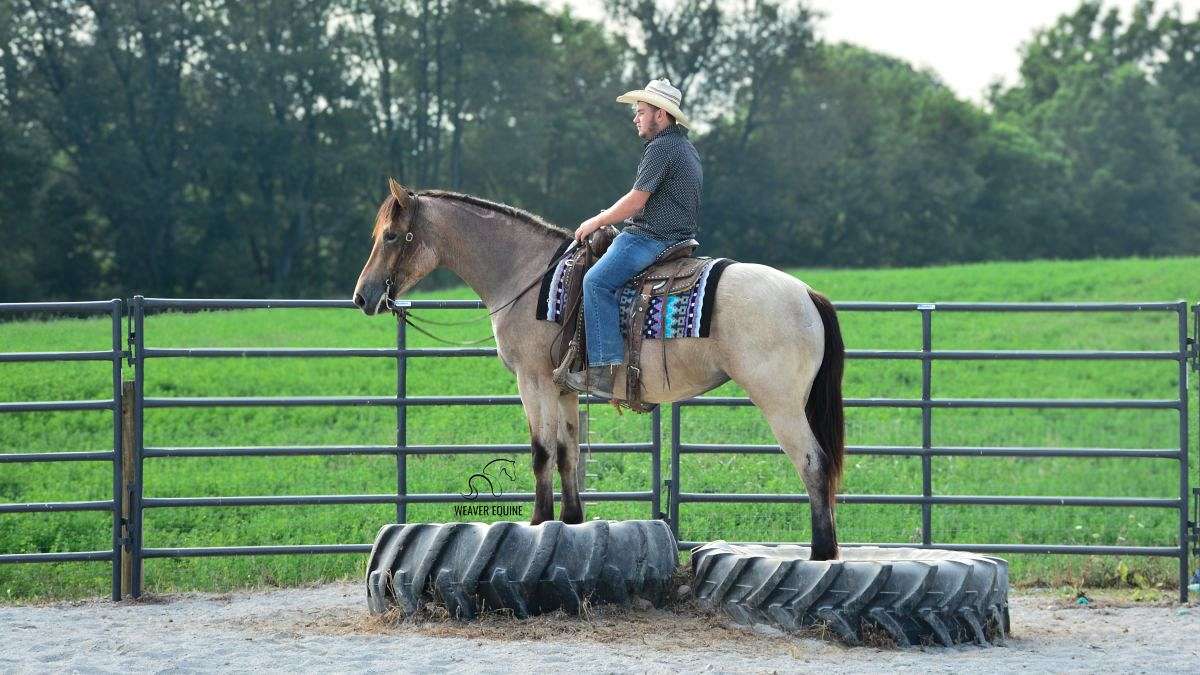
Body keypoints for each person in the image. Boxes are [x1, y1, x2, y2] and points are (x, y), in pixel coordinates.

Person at [561, 78, 703, 397]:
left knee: (595, 282)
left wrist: (596, 220)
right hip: (677, 237)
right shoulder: (685, 148)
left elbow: (637, 200)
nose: (635, 118)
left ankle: (603, 370)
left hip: (650, 237)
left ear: (661, 116)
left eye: (641, 111)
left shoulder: (661, 147)